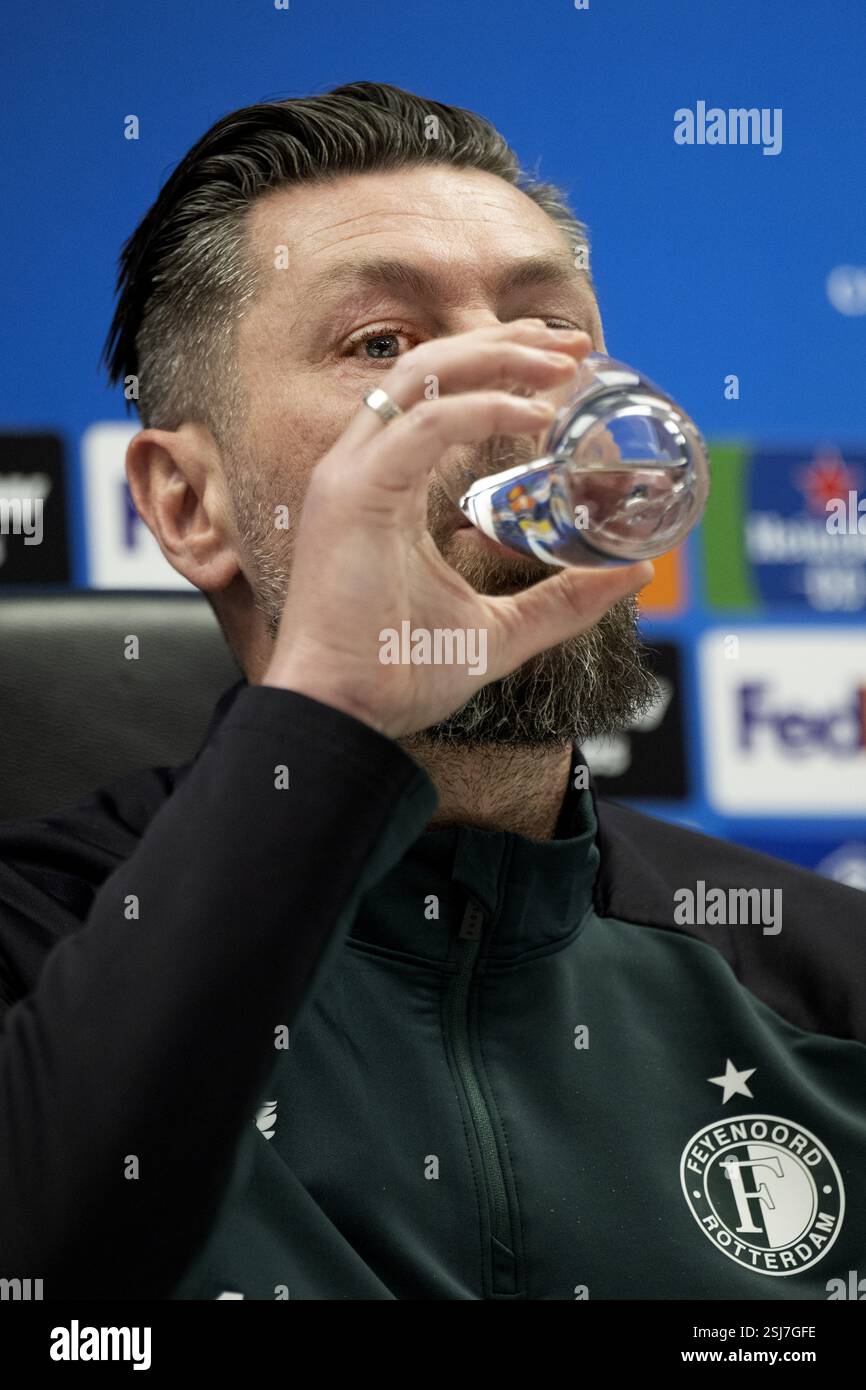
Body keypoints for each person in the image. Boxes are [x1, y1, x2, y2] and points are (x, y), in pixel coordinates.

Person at [0, 81, 863, 1302]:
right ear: (189, 505)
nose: (518, 406)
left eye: (550, 332)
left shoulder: (828, 979)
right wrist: (334, 721)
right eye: (384, 346)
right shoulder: (36, 947)